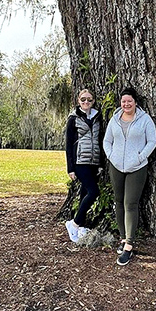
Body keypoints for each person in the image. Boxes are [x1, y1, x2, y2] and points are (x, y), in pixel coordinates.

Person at [103, 87, 156, 266]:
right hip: (116, 166)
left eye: (129, 101)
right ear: (121, 102)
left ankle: (129, 245)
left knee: (130, 203)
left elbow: (152, 141)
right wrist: (111, 156)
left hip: (137, 167)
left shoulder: (144, 119)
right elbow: (107, 141)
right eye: (124, 101)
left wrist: (140, 157)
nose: (126, 104)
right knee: (118, 201)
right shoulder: (115, 120)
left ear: (135, 103)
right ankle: (123, 238)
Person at [65, 88, 103, 242]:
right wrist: (70, 168)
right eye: (83, 99)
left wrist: (100, 163)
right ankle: (73, 223)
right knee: (94, 192)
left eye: (89, 99)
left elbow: (100, 140)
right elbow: (68, 145)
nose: (86, 102)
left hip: (93, 161)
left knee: (84, 194)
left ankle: (81, 227)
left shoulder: (97, 116)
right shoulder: (73, 119)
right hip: (80, 161)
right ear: (78, 101)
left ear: (93, 101)